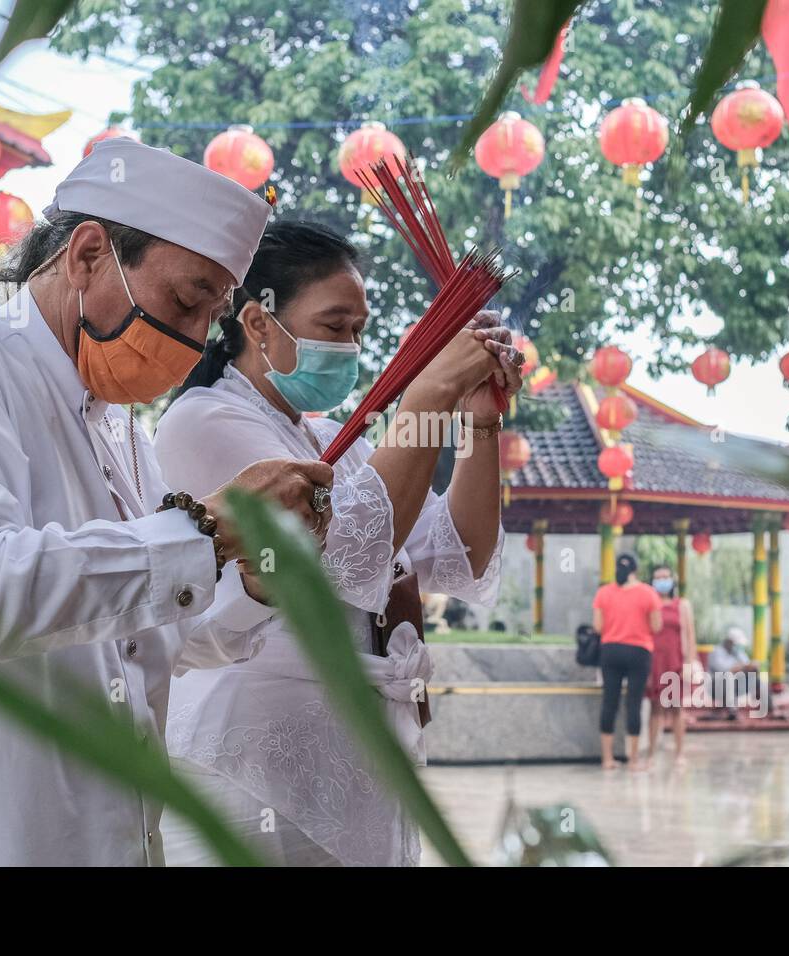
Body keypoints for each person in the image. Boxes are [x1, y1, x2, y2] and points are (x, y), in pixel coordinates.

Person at [0, 141, 335, 866]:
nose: (196, 338)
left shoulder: (120, 432)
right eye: (185, 299)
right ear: (86, 255)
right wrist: (204, 530)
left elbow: (143, 631)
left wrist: (252, 579)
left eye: (213, 314)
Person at [153, 220, 519, 866]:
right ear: (259, 324)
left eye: (358, 331)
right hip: (252, 759)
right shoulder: (205, 419)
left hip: (350, 755)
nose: (351, 347)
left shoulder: (326, 439)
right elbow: (343, 559)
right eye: (334, 326)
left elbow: (455, 552)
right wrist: (427, 391)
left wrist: (478, 421)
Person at [592, 553, 662, 771]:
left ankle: (607, 759)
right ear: (636, 570)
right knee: (634, 703)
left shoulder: (603, 593)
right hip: (639, 652)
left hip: (610, 651)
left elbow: (597, 627)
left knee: (609, 702)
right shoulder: (648, 594)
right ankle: (633, 760)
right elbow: (657, 626)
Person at [646, 563, 696, 765]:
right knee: (655, 709)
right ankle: (650, 753)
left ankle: (679, 753)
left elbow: (690, 635)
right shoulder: (649, 605)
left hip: (675, 662)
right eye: (658, 577)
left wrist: (689, 662)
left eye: (666, 576)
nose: (662, 581)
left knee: (676, 709)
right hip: (654, 662)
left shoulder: (682, 605)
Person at [707, 626, 757, 713]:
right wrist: (743, 667)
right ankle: (732, 710)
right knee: (728, 677)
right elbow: (724, 671)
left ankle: (769, 708)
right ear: (729, 642)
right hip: (716, 687)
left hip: (735, 685)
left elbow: (746, 664)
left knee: (758, 680)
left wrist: (751, 667)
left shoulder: (738, 652)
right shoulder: (717, 652)